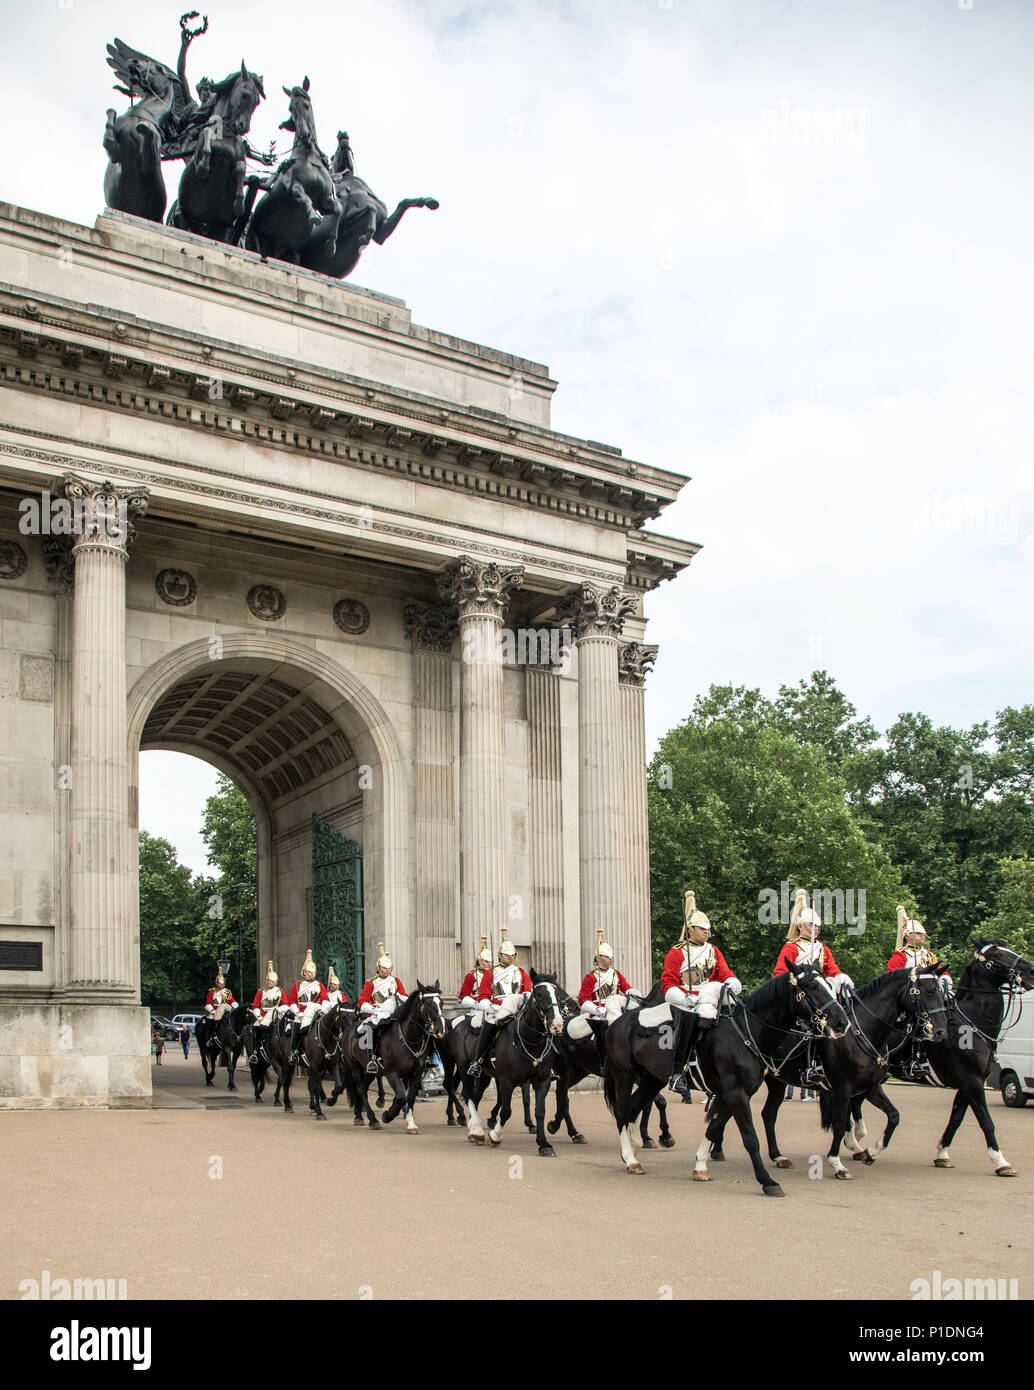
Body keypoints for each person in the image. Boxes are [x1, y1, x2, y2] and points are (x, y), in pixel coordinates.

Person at [661, 891, 742, 1094]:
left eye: (708, 929)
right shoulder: (677, 952)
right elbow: (668, 983)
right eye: (702, 928)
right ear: (690, 930)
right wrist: (684, 999)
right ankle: (677, 1073)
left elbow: (724, 973)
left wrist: (731, 983)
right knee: (688, 1021)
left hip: (710, 997)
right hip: (686, 1000)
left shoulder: (713, 951)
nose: (706, 932)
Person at [467, 936, 533, 1077]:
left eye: (512, 955)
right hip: (497, 1009)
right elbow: (483, 996)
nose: (509, 957)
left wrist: (526, 998)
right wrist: (492, 1008)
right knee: (489, 1025)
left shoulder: (521, 972)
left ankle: (546, 1064)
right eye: (506, 954)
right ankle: (478, 1061)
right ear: (499, 955)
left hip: (517, 1009)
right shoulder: (490, 973)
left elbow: (527, 990)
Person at [773, 889, 854, 996]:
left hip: (819, 990)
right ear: (800, 926)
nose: (815, 929)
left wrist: (840, 976)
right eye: (811, 925)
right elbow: (780, 973)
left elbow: (832, 970)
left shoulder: (823, 949)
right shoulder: (792, 947)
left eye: (817, 925)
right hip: (798, 991)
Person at [356, 945, 408, 1074]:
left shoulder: (396, 981)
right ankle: (372, 1058)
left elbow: (404, 995)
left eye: (389, 968)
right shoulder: (371, 983)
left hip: (395, 1012)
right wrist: (374, 1010)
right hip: (378, 1012)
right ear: (378, 968)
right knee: (371, 1028)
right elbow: (362, 1001)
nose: (387, 970)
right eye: (384, 968)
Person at [887, 906, 953, 992]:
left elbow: (939, 971)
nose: (922, 935)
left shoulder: (929, 955)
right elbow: (893, 979)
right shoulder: (901, 955)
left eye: (922, 933)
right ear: (907, 936)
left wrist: (945, 979)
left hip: (930, 992)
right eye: (918, 933)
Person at [578, 930, 637, 1020]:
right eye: (607, 956)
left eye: (612, 957)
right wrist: (595, 1009)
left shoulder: (616, 974)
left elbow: (626, 988)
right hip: (599, 1012)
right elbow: (583, 999)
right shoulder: (591, 977)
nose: (610, 959)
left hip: (617, 1009)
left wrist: (631, 991)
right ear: (598, 958)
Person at [287, 949, 329, 1063]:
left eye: (313, 972)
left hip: (315, 1013)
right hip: (301, 1012)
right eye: (309, 972)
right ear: (304, 972)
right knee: (297, 1023)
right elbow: (291, 1002)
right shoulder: (297, 986)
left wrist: (323, 1009)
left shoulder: (319, 985)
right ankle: (294, 1052)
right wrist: (297, 1012)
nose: (312, 974)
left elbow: (325, 999)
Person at [249, 960, 290, 1063]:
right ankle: (255, 1051)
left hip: (277, 1014)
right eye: (269, 981)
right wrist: (259, 1016)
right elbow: (256, 1005)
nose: (271, 983)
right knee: (256, 1028)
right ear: (267, 981)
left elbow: (285, 1004)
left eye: (273, 981)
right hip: (263, 1015)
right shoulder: (261, 992)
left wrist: (279, 1009)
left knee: (288, 1026)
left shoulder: (280, 991)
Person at [459, 938, 494, 1021]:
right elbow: (463, 996)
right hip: (478, 1010)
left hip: (494, 1007)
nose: (489, 964)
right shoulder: (471, 976)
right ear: (479, 961)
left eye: (491, 962)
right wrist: (476, 1004)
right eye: (486, 961)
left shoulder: (495, 974)